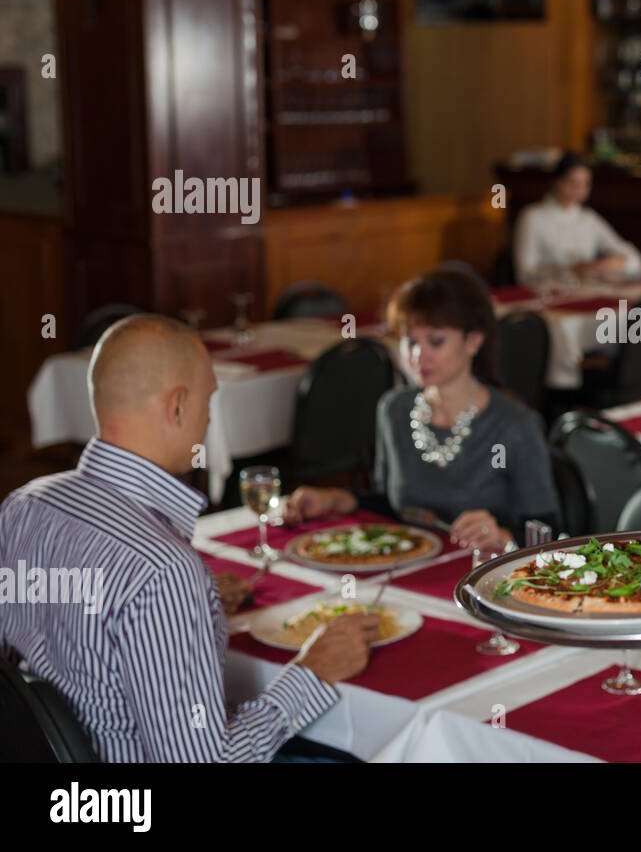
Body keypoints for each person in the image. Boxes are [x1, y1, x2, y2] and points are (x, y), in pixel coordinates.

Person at [0, 315, 376, 762]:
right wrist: (313, 672)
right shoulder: (165, 570)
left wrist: (176, 608)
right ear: (177, 406)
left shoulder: (23, 505)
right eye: (209, 400)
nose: (209, 417)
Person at [284, 268, 561, 550]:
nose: (418, 356)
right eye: (410, 341)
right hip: (408, 570)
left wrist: (503, 536)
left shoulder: (515, 425)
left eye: (435, 341)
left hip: (484, 579)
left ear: (473, 341)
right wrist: (336, 499)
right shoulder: (394, 409)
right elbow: (393, 506)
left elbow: (548, 531)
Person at [513, 152, 641, 285]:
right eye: (573, 183)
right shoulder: (532, 216)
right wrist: (571, 271)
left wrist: (614, 264)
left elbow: (633, 258)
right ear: (557, 181)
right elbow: (524, 274)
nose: (579, 190)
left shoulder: (588, 218)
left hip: (585, 293)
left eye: (585, 184)